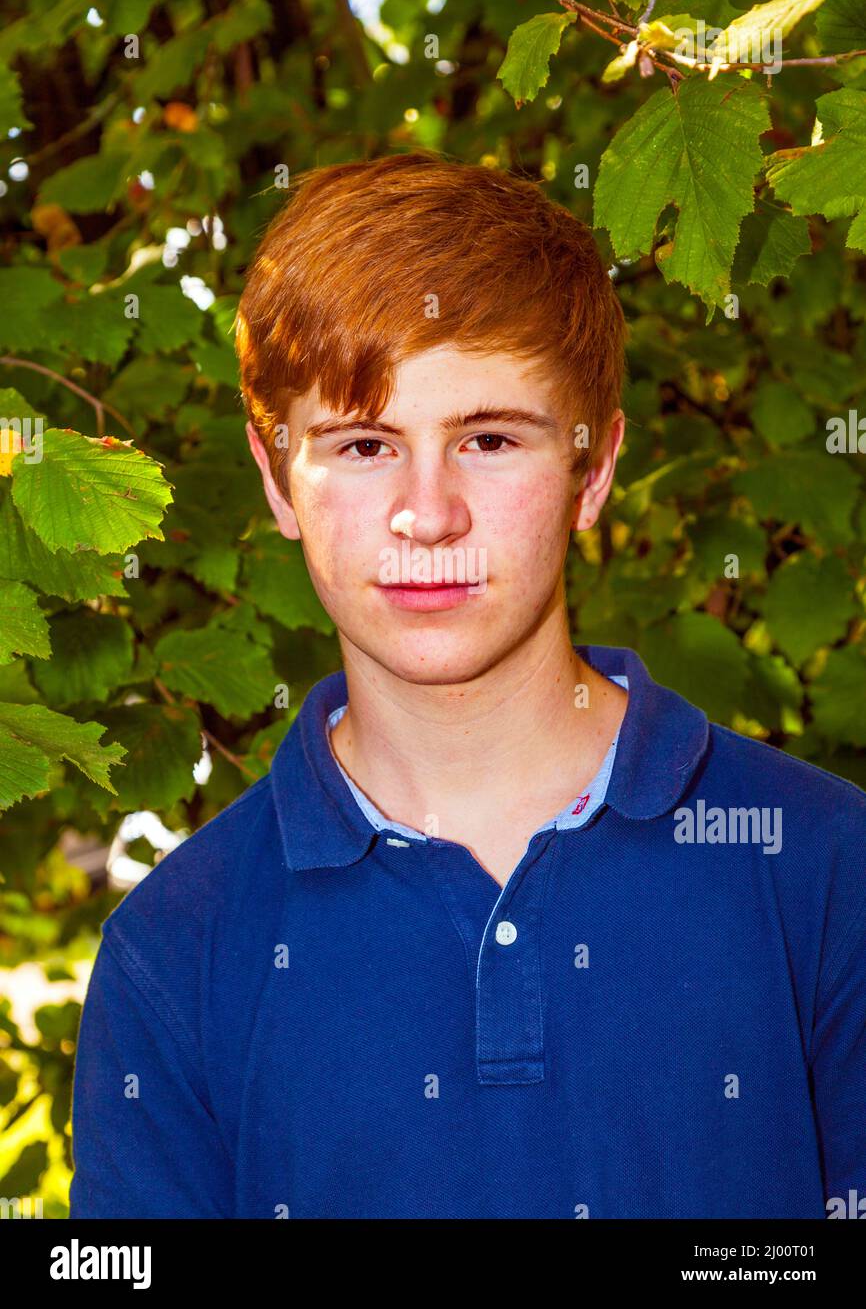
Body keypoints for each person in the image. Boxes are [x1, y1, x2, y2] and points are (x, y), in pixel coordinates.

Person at [69, 150, 866, 1219]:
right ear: (276, 481)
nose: (426, 512)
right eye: (362, 445)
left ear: (591, 470)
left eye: (487, 439)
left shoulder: (819, 868)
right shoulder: (176, 947)